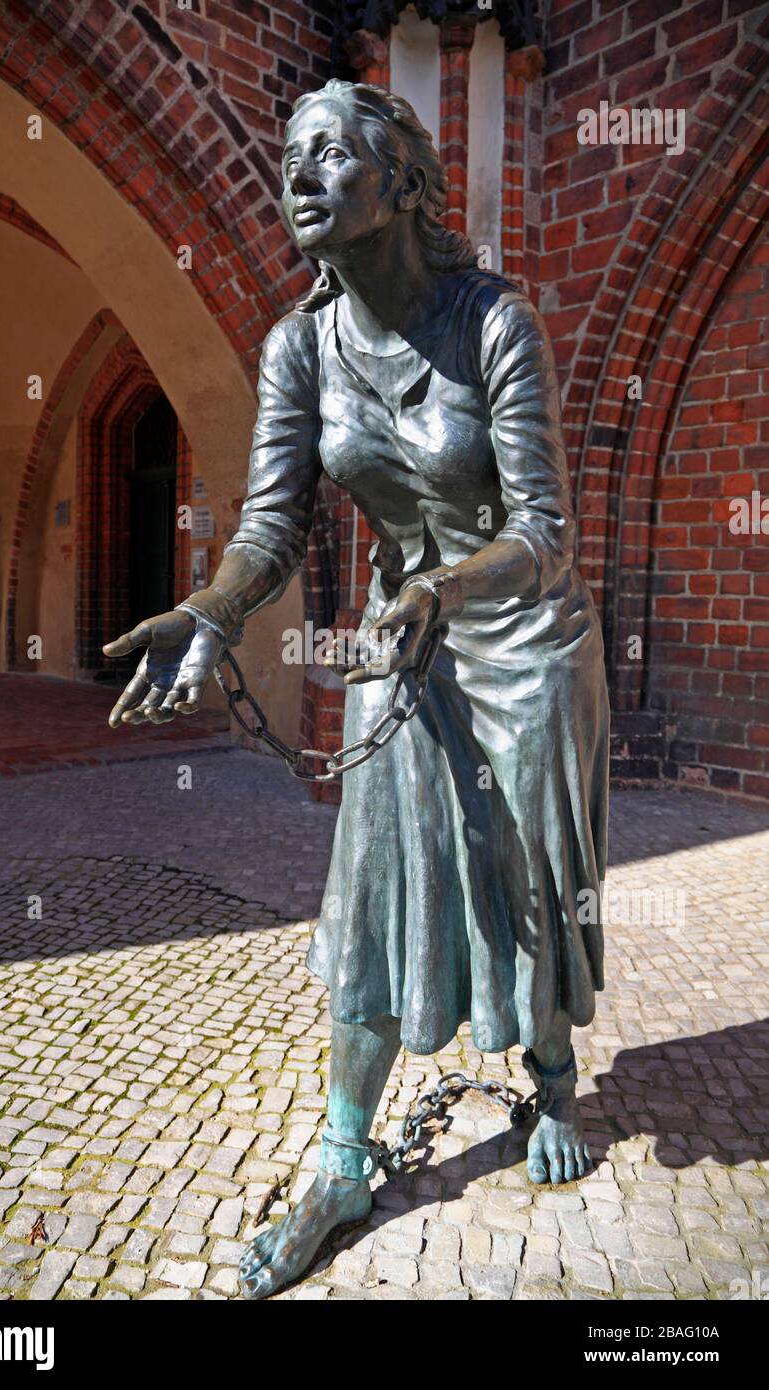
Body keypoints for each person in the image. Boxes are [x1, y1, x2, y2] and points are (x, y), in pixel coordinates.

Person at [104, 79, 610, 1300]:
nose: (302, 175)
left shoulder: (493, 320)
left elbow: (545, 528)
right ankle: (340, 1155)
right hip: (410, 637)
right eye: (292, 158)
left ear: (403, 181)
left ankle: (548, 1074)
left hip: (522, 635)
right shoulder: (297, 347)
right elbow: (271, 525)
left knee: (524, 867)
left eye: (333, 155)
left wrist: (446, 584)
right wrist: (211, 609)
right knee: (376, 881)